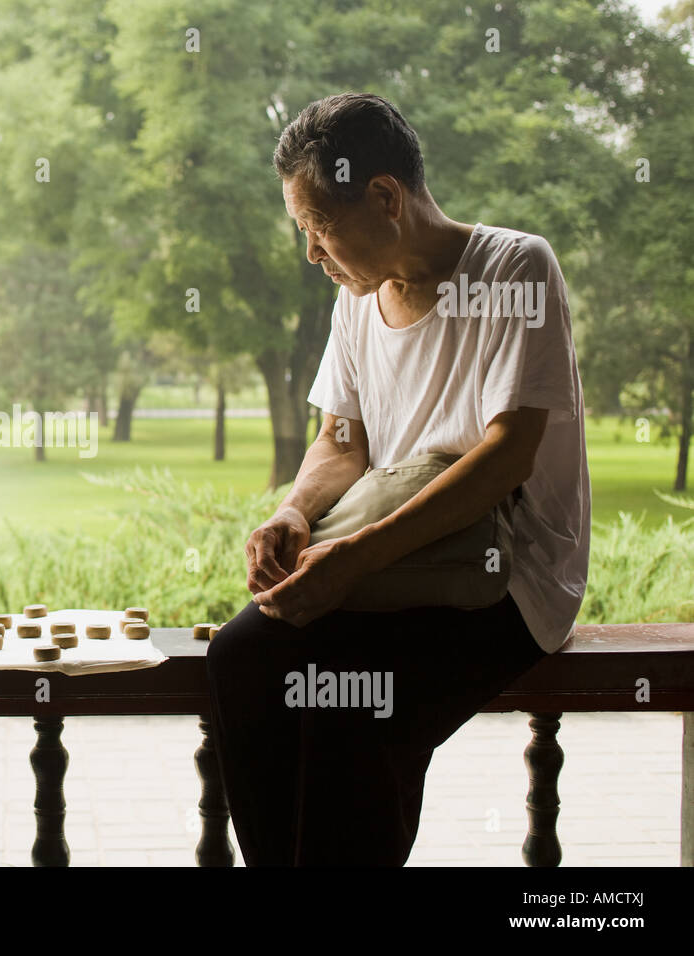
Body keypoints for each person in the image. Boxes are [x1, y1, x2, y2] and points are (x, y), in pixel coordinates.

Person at [206, 93, 590, 865]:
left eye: (318, 228)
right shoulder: (357, 300)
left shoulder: (514, 267)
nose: (311, 253)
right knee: (243, 659)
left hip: (503, 574)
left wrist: (359, 556)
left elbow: (509, 452)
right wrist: (296, 514)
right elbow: (341, 443)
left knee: (352, 701)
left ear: (385, 197)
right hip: (391, 563)